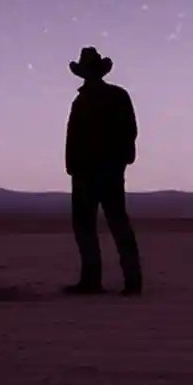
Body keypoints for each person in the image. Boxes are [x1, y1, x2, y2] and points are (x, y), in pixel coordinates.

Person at [63, 46, 143, 296]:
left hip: (98, 170)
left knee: (102, 224)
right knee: (101, 225)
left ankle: (112, 280)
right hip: (93, 171)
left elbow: (129, 131)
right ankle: (121, 281)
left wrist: (117, 159)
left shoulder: (103, 98)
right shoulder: (102, 97)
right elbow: (129, 130)